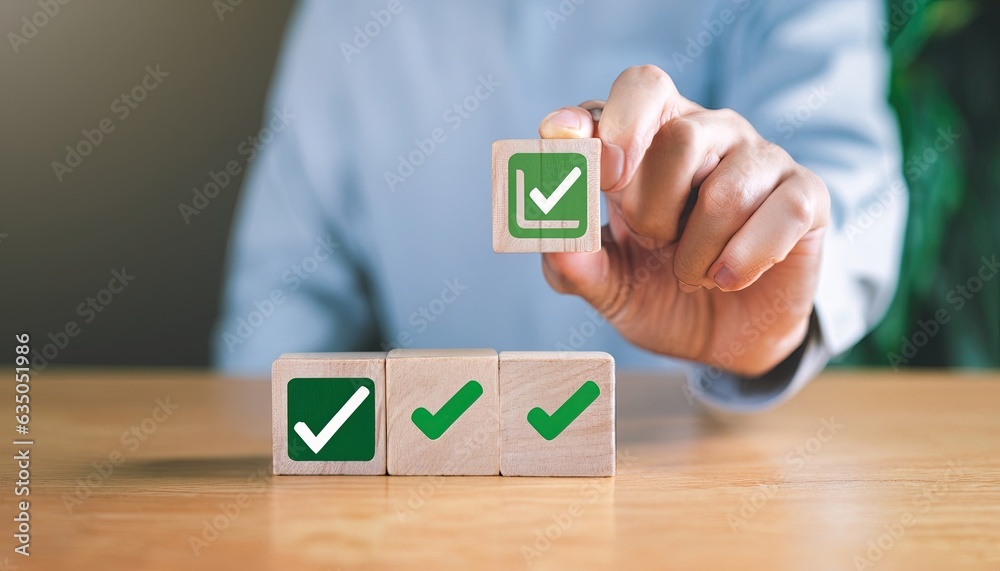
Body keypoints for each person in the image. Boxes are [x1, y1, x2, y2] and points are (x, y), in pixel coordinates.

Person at [213, 0, 907, 413]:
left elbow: (842, 180)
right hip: (438, 497)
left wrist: (770, 303)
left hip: (701, 482)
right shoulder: (345, 20)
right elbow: (280, 310)